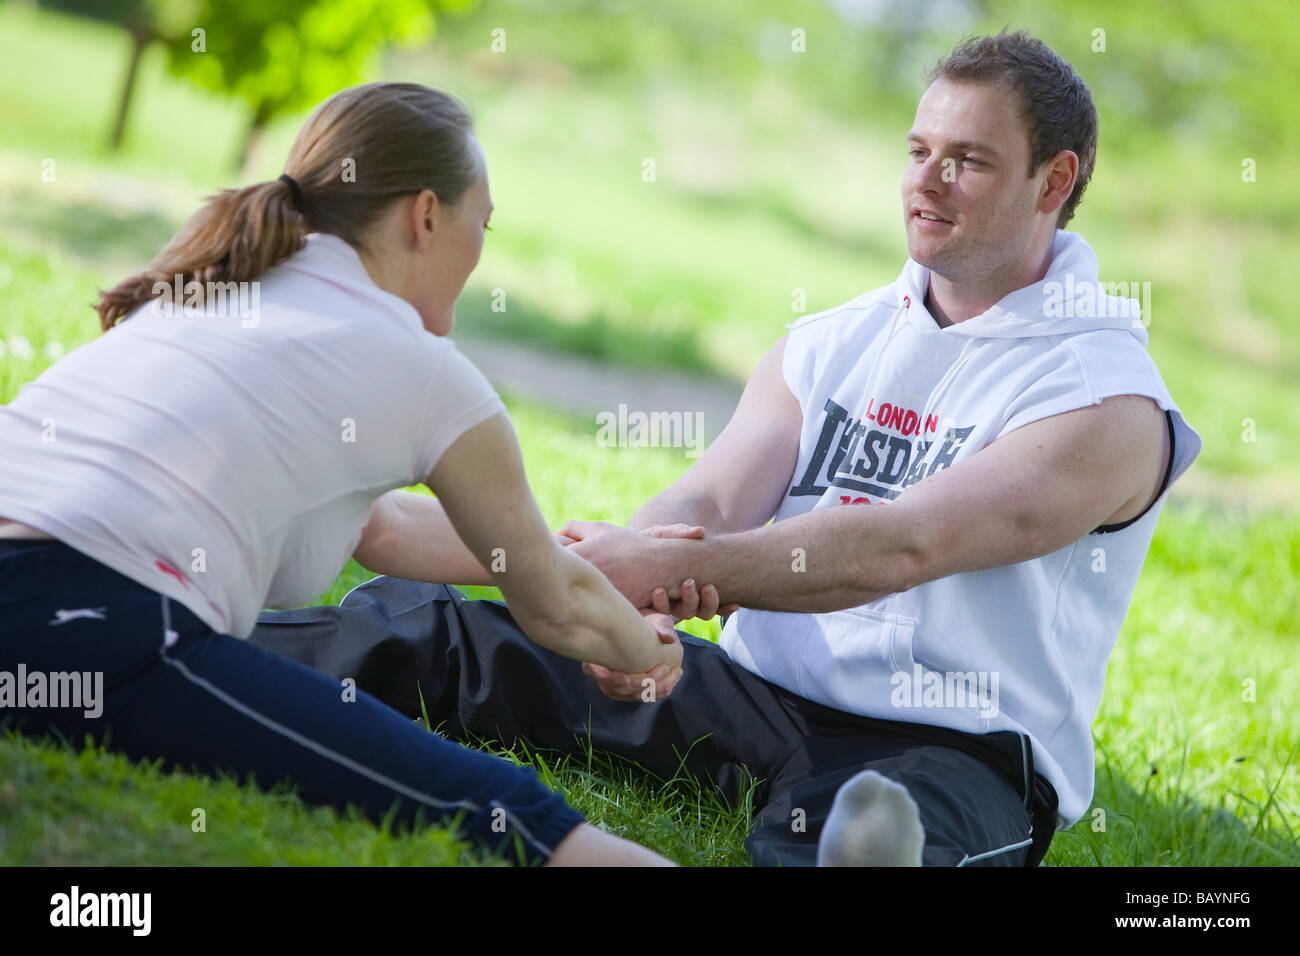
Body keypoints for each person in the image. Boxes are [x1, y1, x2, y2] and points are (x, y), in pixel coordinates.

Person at [247, 30, 1202, 867]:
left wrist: (656, 566)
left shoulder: (1106, 399)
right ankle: (198, 654)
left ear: (1056, 180)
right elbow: (707, 504)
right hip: (751, 696)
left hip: (949, 746)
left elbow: (904, 546)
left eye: (969, 160)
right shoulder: (831, 339)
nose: (925, 179)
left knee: (865, 828)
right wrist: (624, 608)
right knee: (442, 629)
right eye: (918, 150)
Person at [0, 82, 682, 866]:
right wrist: (656, 655)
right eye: (482, 221)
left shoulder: (220, 284)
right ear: (426, 216)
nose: (482, 245)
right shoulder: (424, 371)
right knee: (504, 810)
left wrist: (591, 559)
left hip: (46, 591)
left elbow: (380, 525)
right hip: (77, 624)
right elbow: (563, 612)